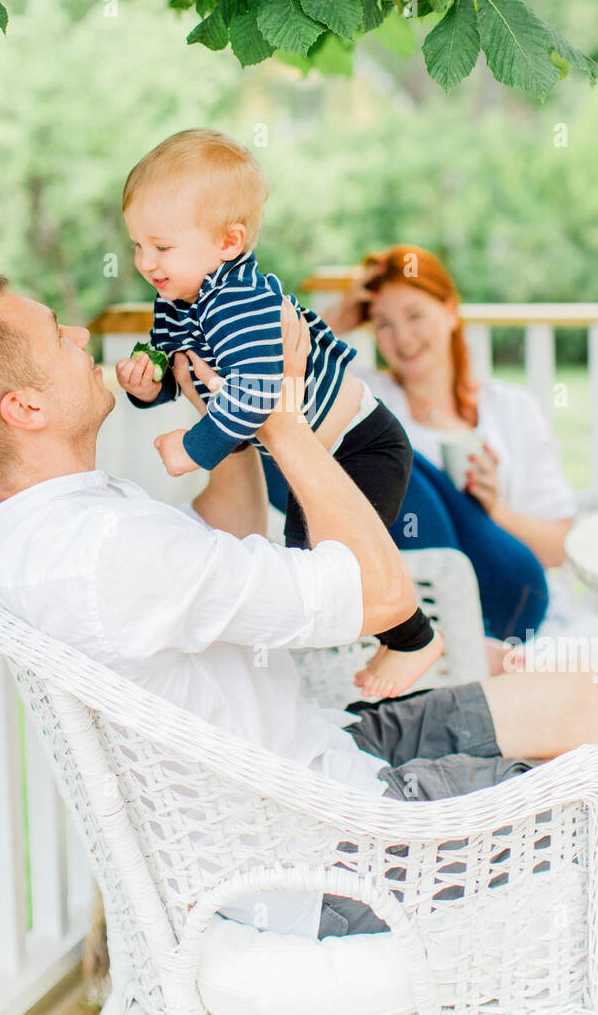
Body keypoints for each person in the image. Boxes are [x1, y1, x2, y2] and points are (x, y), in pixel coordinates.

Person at [0, 272, 598, 1015]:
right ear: (23, 406)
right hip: (330, 850)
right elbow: (382, 596)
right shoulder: (107, 553)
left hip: (312, 761)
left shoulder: (22, 522)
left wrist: (227, 428)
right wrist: (281, 423)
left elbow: (228, 537)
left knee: (579, 702)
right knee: (590, 811)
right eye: (55, 335)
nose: (82, 331)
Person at [116, 128, 436, 699]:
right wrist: (148, 384)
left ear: (228, 242)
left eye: (161, 247)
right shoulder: (179, 297)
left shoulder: (242, 303)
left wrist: (192, 449)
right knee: (307, 573)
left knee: (339, 571)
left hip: (361, 444)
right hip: (312, 454)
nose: (145, 262)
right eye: (138, 245)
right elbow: (179, 369)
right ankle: (357, 669)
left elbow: (258, 396)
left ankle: (415, 641)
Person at [265, 245, 580, 670]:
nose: (403, 338)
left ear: (451, 312)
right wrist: (339, 318)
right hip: (399, 596)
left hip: (509, 595)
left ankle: (444, 635)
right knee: (293, 438)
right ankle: (431, 635)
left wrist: (491, 509)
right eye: (383, 324)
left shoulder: (510, 408)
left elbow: (560, 548)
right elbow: (277, 386)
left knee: (386, 445)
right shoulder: (363, 391)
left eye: (415, 315)